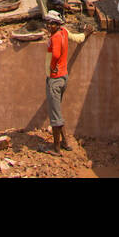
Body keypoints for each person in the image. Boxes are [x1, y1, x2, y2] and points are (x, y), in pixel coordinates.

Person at [43, 11, 75, 152]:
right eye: (48, 23)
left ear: (57, 24)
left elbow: (55, 54)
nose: (49, 26)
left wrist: (52, 66)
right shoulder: (64, 32)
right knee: (58, 112)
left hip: (55, 80)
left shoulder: (56, 37)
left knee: (55, 116)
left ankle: (56, 149)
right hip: (63, 77)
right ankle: (65, 143)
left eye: (52, 23)